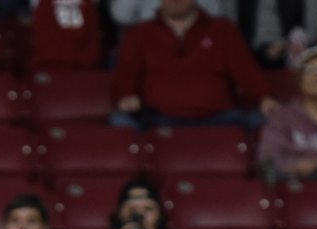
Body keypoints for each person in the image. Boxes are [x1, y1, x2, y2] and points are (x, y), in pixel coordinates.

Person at [110, 0, 272, 131]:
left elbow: (246, 71)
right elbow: (125, 75)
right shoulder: (139, 33)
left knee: (271, 122)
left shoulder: (223, 29)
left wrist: (264, 97)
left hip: (220, 120)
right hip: (157, 121)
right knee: (120, 121)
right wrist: (126, 97)